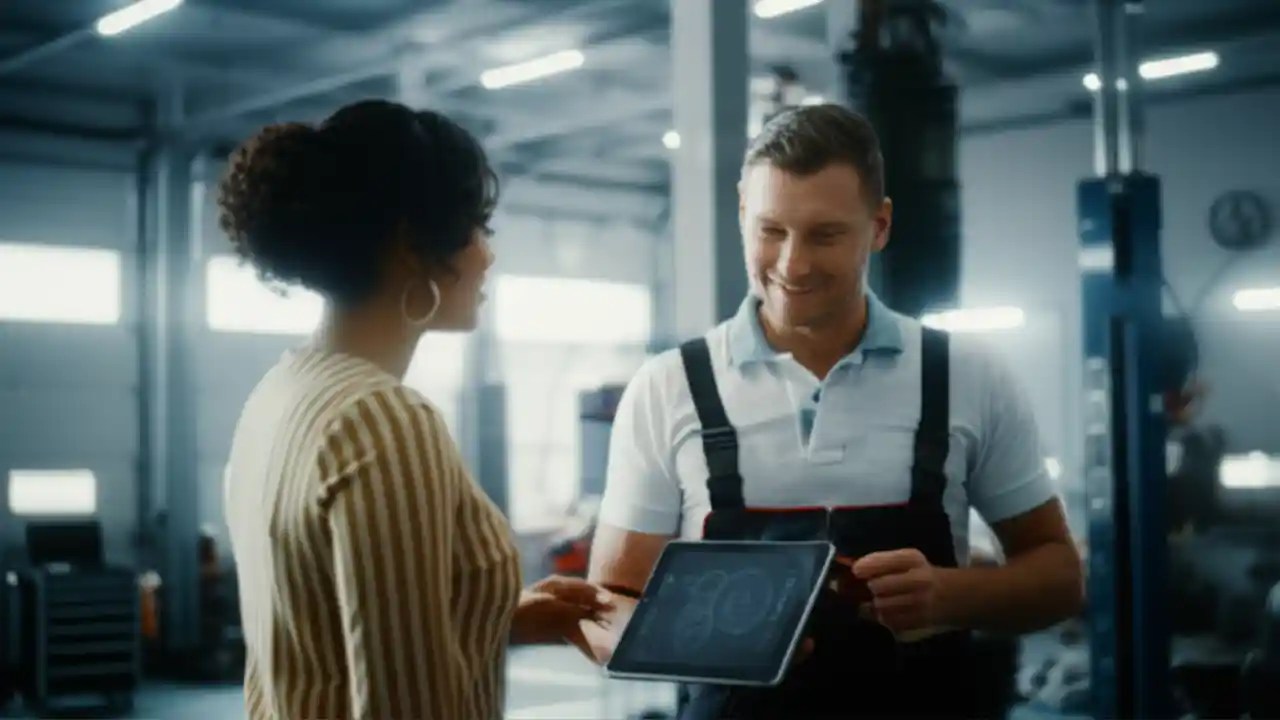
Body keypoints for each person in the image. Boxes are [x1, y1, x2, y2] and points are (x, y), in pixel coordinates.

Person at [583, 104, 1084, 719]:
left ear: (879, 226)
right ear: (742, 211)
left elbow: (1060, 577)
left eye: (825, 235)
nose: (792, 264)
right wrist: (715, 640)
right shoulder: (669, 387)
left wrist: (953, 596)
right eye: (770, 230)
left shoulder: (965, 376)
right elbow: (606, 605)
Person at [218, 99, 611, 720]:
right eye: (477, 227)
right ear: (411, 245)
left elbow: (322, 631)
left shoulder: (280, 395)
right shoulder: (383, 422)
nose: (488, 255)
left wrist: (492, 617)